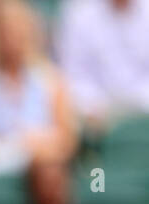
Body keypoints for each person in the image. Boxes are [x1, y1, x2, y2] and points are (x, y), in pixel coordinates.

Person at [0, 0, 77, 174]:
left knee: (49, 173)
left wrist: (35, 146)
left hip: (42, 168)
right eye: (6, 32)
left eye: (19, 31)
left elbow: (67, 141)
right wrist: (14, 148)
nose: (13, 39)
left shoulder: (52, 80)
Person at [55, 0, 149, 133]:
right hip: (96, 121)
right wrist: (95, 107)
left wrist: (135, 107)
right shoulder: (79, 14)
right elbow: (73, 76)